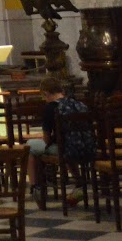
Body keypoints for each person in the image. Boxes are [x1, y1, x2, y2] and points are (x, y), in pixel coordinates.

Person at [26, 76, 88, 205]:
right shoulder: (78, 104)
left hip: (64, 149)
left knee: (30, 147)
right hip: (84, 145)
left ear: (46, 93)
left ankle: (35, 186)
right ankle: (79, 182)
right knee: (67, 145)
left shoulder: (50, 108)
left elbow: (47, 139)